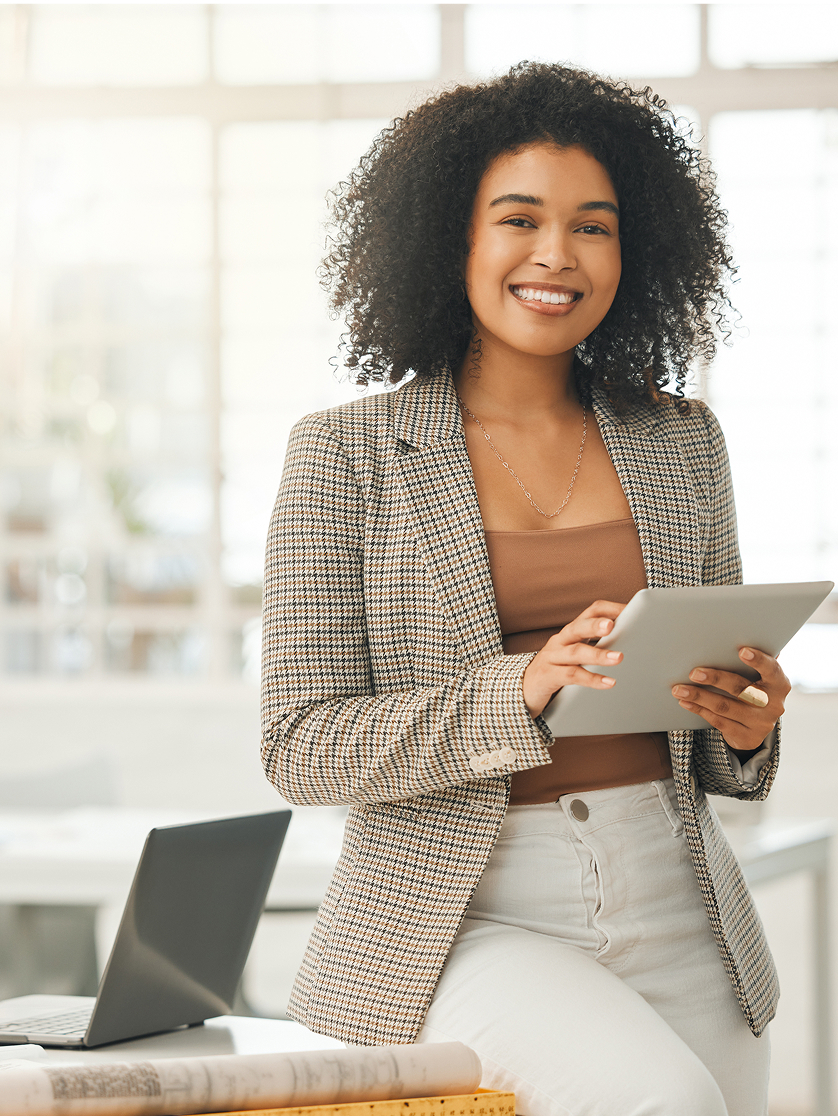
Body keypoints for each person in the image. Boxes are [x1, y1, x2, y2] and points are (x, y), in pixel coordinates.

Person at [260, 63, 789, 1116]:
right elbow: (299, 745)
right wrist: (520, 688)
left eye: (592, 226)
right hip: (466, 912)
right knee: (662, 1102)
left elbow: (726, 751)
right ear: (448, 237)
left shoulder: (683, 441)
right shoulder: (346, 453)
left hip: (678, 892)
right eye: (518, 220)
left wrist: (745, 724)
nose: (556, 255)